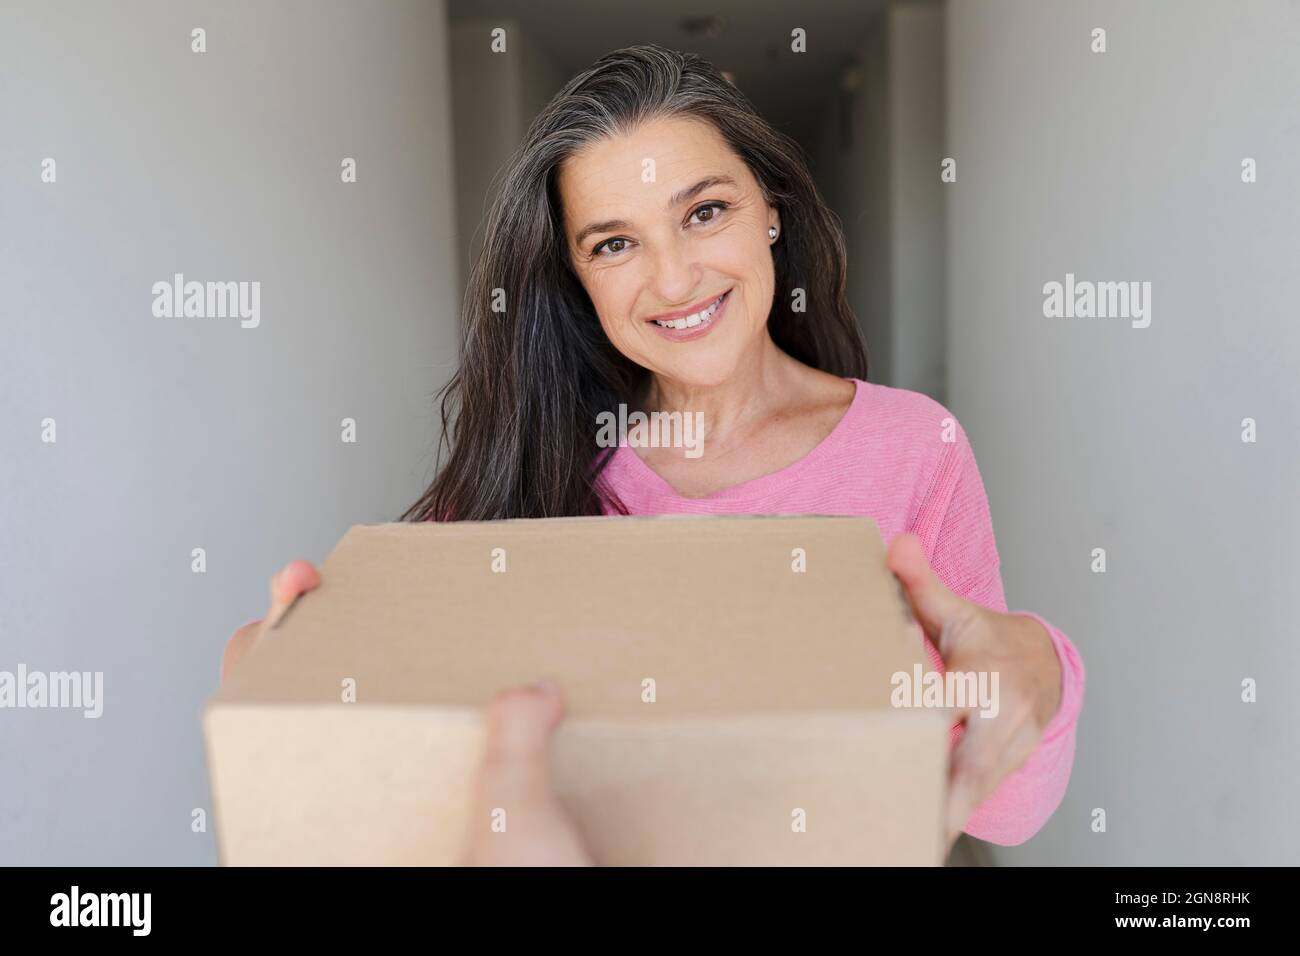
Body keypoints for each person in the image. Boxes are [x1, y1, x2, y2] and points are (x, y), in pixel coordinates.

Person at [222, 44, 1084, 864]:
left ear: (772, 212)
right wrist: (300, 675)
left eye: (705, 212)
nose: (672, 281)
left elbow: (1004, 811)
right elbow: (412, 750)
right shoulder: (534, 462)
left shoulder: (912, 449)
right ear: (577, 279)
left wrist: (1040, 668)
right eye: (615, 243)